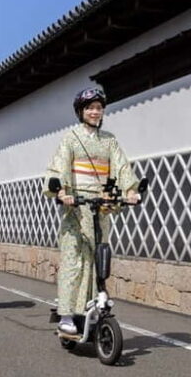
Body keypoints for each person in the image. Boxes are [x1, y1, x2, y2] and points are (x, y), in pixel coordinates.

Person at [44, 87, 139, 335]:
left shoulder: (109, 140)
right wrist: (62, 192)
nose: (95, 112)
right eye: (90, 108)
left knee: (99, 259)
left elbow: (121, 167)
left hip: (100, 206)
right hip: (76, 206)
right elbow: (59, 168)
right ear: (81, 112)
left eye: (98, 108)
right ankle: (66, 312)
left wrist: (130, 190)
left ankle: (91, 306)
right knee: (73, 259)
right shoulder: (70, 138)